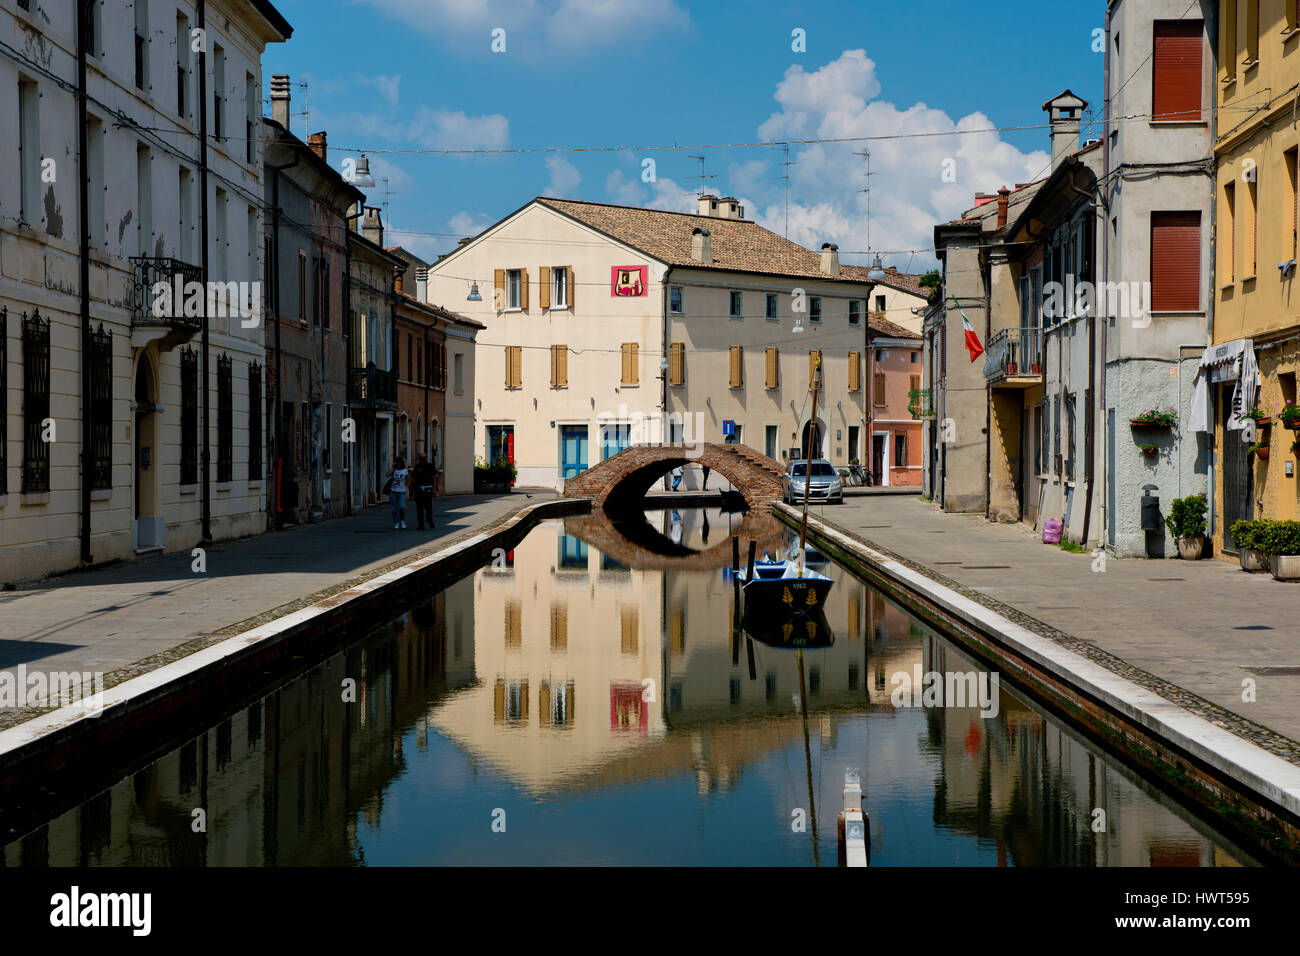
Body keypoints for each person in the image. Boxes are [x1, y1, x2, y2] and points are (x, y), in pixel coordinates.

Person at [412, 451, 437, 531]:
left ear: (426, 458)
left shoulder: (430, 466)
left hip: (428, 489)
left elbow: (434, 477)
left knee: (428, 508)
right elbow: (414, 479)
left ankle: (429, 520)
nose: (423, 459)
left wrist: (434, 488)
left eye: (424, 458)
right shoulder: (417, 467)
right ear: (419, 459)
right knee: (419, 509)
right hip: (419, 490)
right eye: (421, 458)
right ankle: (421, 525)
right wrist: (412, 491)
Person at [388, 457, 409, 529]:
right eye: (396, 462)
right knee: (394, 508)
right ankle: (396, 522)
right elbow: (387, 475)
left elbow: (408, 479)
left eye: (399, 462)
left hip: (402, 492)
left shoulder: (405, 470)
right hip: (393, 491)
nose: (398, 464)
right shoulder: (394, 470)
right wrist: (392, 467)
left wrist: (407, 486)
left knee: (402, 507)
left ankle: (402, 520)